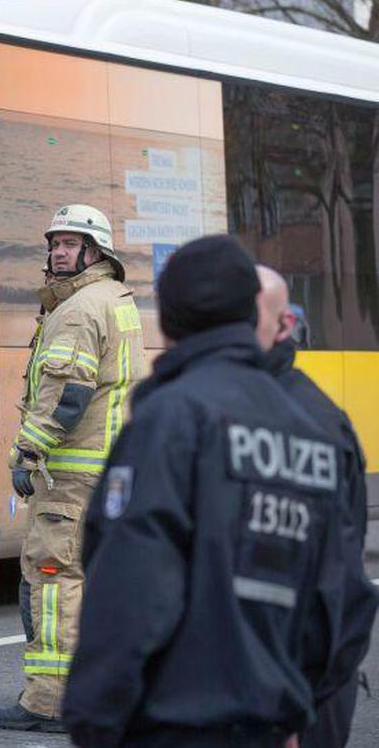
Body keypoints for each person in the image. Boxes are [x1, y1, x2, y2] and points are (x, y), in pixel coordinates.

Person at [62, 235, 376, 747]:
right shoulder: (313, 431)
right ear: (253, 316)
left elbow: (131, 591)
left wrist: (94, 723)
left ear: (169, 321)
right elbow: (343, 604)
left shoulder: (172, 419)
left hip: (176, 728)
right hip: (275, 726)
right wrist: (298, 709)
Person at [0, 204, 145, 733]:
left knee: (53, 581)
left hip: (72, 480)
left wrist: (28, 453)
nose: (58, 252)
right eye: (54, 243)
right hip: (110, 472)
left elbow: (66, 395)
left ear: (94, 252)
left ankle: (49, 702)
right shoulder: (118, 300)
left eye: (70, 244)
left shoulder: (77, 310)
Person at [255, 266, 376, 748]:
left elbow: (337, 578)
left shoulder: (310, 419)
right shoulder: (316, 412)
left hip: (294, 688)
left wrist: (295, 705)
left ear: (285, 325)